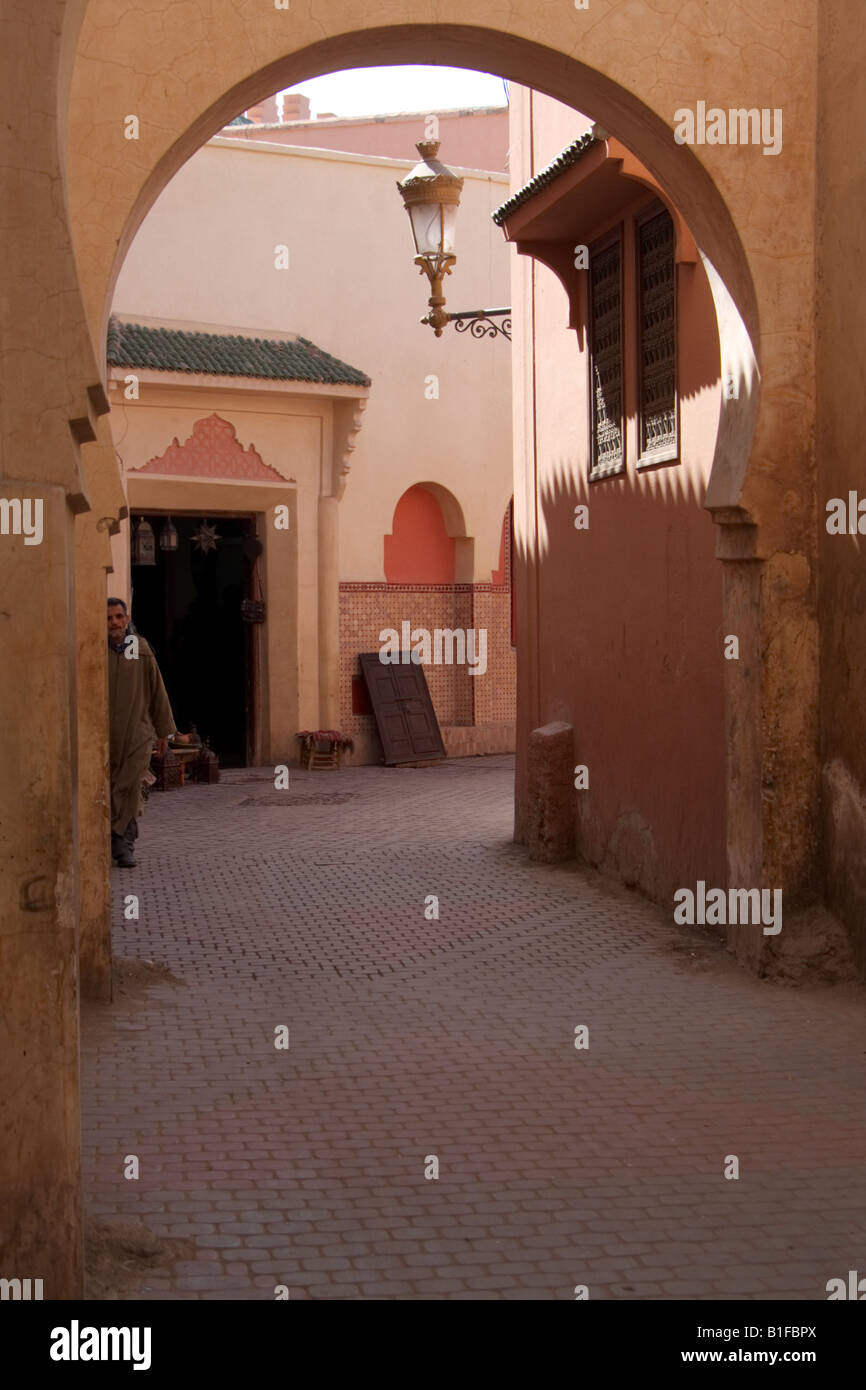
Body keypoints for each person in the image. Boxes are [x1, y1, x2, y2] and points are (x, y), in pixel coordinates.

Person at [107, 597, 175, 867]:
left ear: (127, 618)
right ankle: (119, 838)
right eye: (108, 618)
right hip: (107, 736)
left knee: (130, 785)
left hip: (138, 733)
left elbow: (157, 690)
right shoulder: (95, 651)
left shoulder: (140, 649)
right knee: (113, 786)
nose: (114, 623)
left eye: (118, 617)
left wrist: (164, 731)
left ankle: (123, 844)